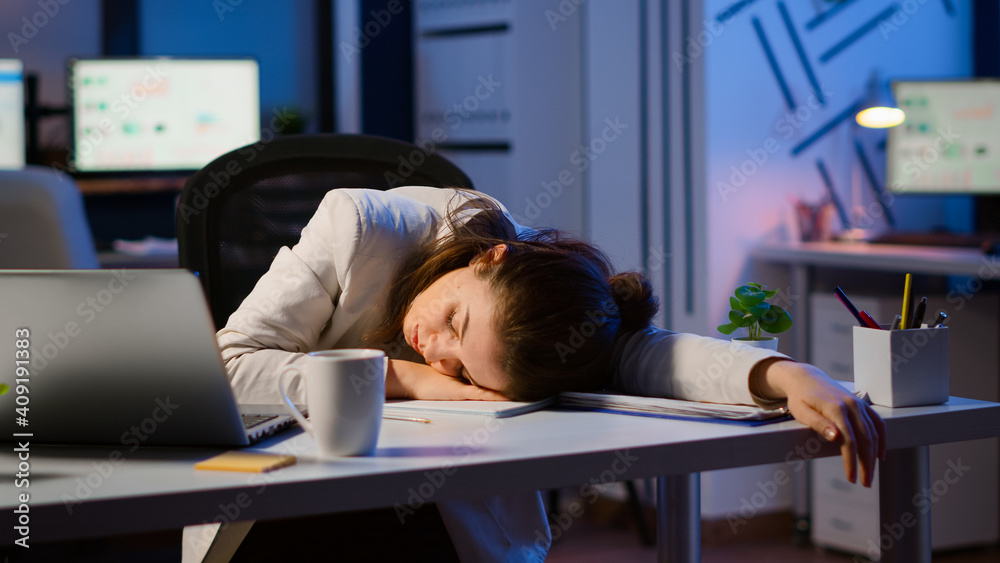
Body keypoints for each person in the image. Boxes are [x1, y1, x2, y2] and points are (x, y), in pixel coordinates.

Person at [215, 186, 884, 561]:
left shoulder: (556, 313)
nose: (435, 347)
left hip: (433, 516)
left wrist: (786, 375)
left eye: (458, 363)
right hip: (287, 505)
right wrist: (403, 377)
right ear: (489, 258)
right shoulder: (360, 229)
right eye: (454, 322)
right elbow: (229, 362)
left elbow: (645, 353)